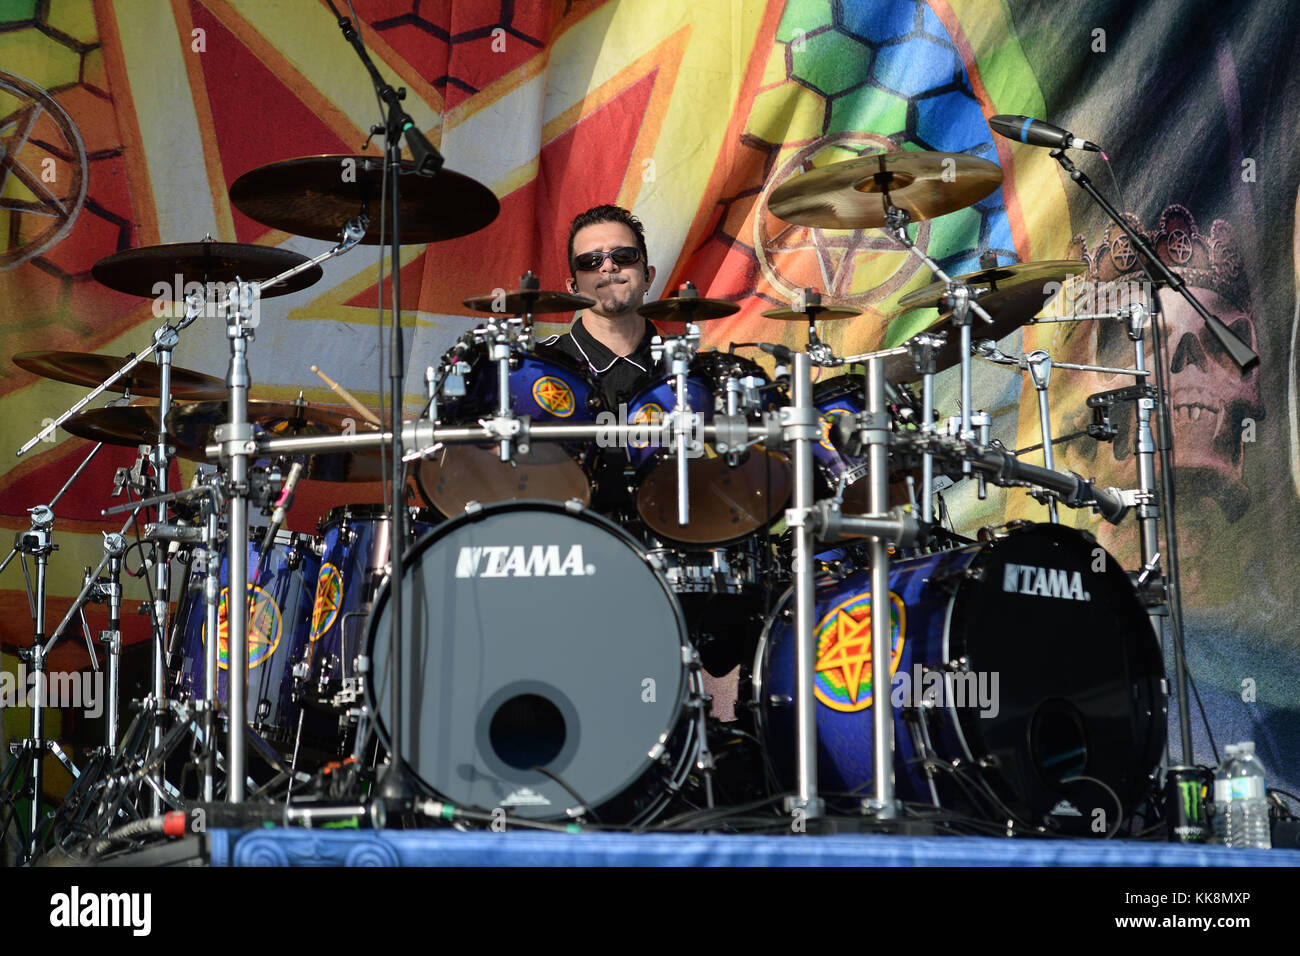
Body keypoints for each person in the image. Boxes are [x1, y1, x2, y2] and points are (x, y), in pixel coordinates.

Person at [540, 204, 660, 410]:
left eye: (623, 255)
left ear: (648, 276)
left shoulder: (685, 369)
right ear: (573, 287)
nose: (608, 266)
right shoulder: (542, 367)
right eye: (591, 261)